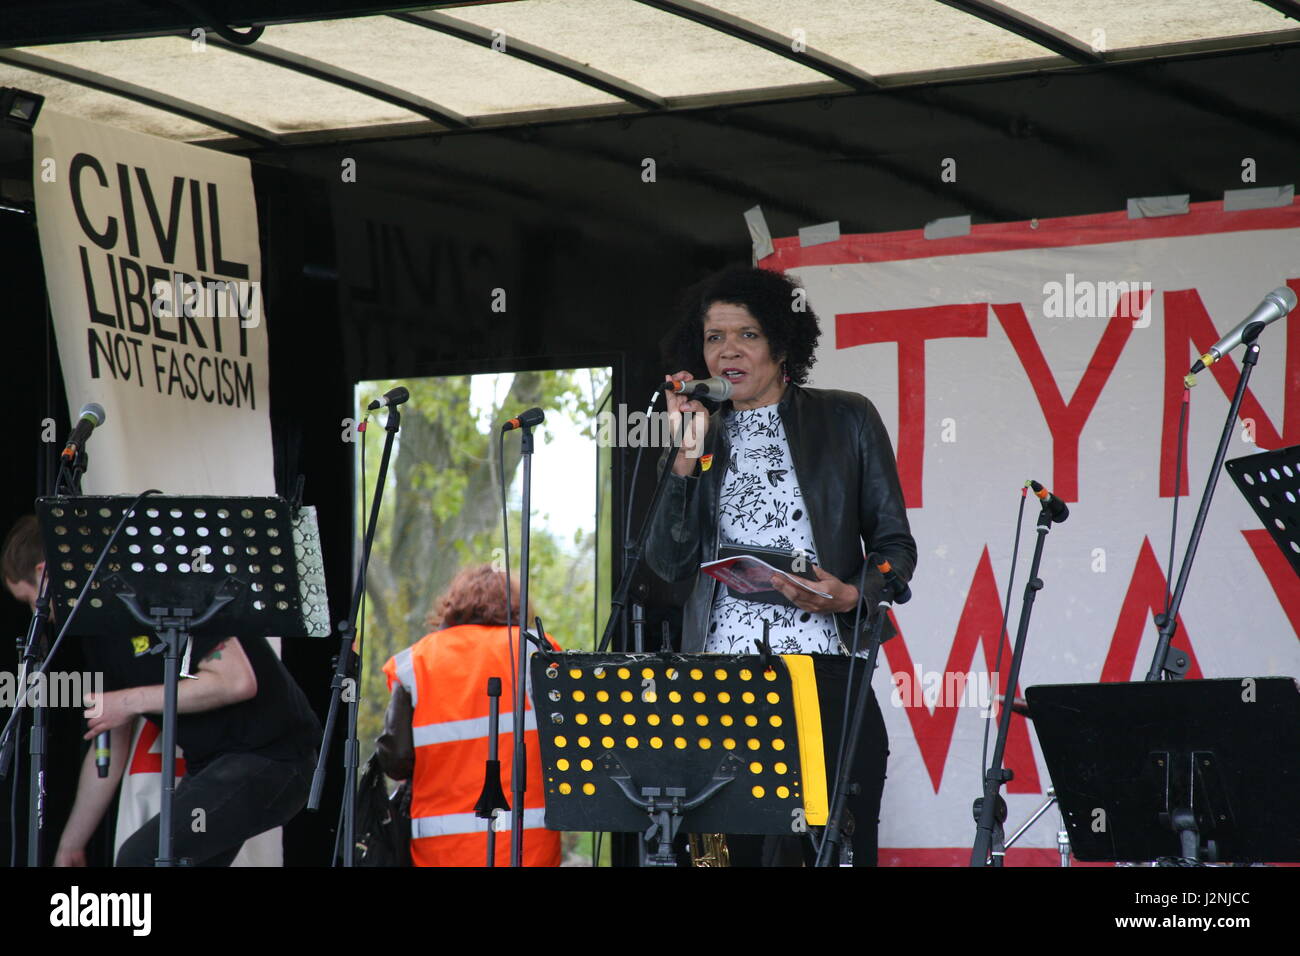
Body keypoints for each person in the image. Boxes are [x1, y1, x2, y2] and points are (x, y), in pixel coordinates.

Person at [646, 265, 917, 866]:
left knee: (833, 843)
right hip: (722, 678)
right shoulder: (701, 434)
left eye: (747, 334)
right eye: (714, 338)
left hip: (825, 671)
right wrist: (686, 455)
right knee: (733, 851)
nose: (728, 351)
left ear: (782, 344)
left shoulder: (847, 417)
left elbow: (897, 548)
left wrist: (853, 594)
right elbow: (665, 564)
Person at [2, 513, 324, 868]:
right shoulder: (97, 632)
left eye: (31, 602)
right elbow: (110, 742)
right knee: (163, 858)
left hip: (274, 759)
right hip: (215, 766)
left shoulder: (158, 587)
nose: (40, 616)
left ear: (45, 573)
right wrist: (71, 844)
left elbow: (236, 681)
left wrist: (126, 701)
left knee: (143, 858)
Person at [377, 563, 562, 867]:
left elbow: (395, 761)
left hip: (439, 850)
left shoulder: (416, 662)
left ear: (454, 604)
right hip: (527, 847)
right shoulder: (537, 653)